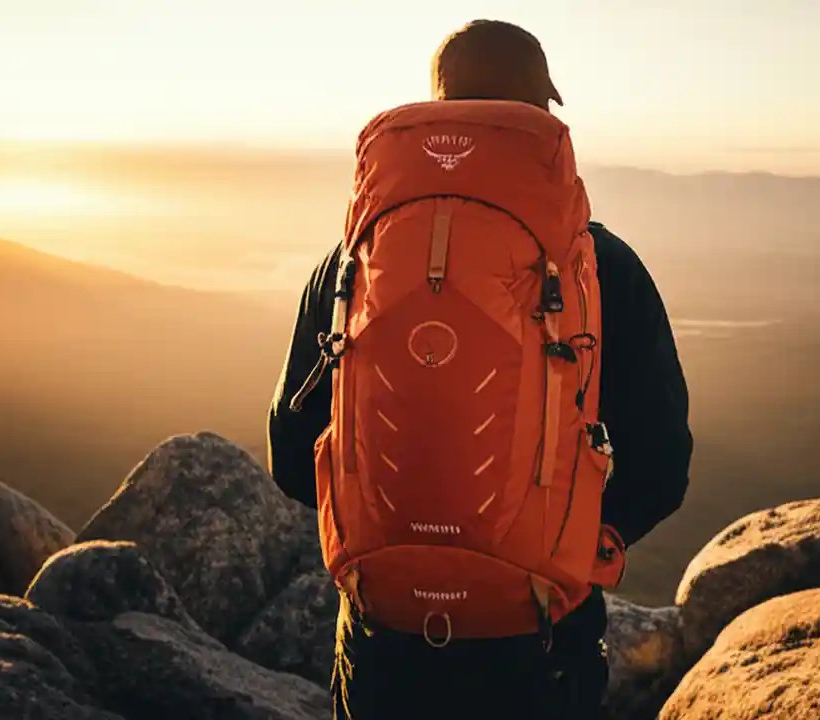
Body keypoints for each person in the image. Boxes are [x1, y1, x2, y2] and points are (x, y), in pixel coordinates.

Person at [267, 19, 692, 720]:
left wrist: (410, 540)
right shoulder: (602, 268)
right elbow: (663, 466)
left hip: (387, 635)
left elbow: (291, 453)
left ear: (439, 107)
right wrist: (568, 537)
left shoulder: (351, 266)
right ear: (541, 115)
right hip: (537, 638)